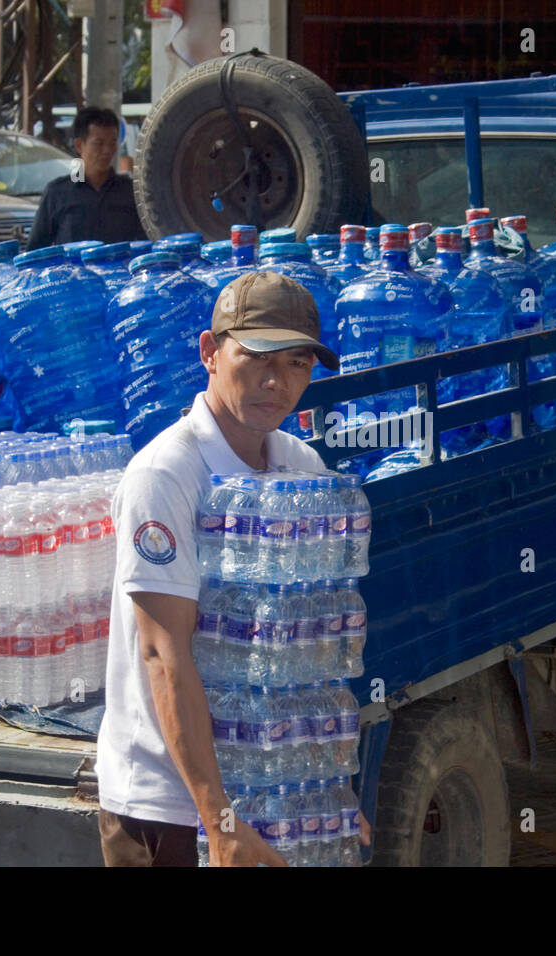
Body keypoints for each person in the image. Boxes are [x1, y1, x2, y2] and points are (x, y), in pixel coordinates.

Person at [96, 271, 372, 867]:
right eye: (258, 357)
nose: (278, 382)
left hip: (271, 799)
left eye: (297, 363)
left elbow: (310, 651)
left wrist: (326, 791)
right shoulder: (166, 475)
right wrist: (217, 820)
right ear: (210, 352)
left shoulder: (302, 466)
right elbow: (163, 655)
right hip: (173, 809)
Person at [25, 106, 147, 250]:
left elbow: (146, 244)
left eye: (112, 143)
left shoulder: (130, 192)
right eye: (98, 144)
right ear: (79, 145)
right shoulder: (57, 193)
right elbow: (36, 251)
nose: (107, 151)